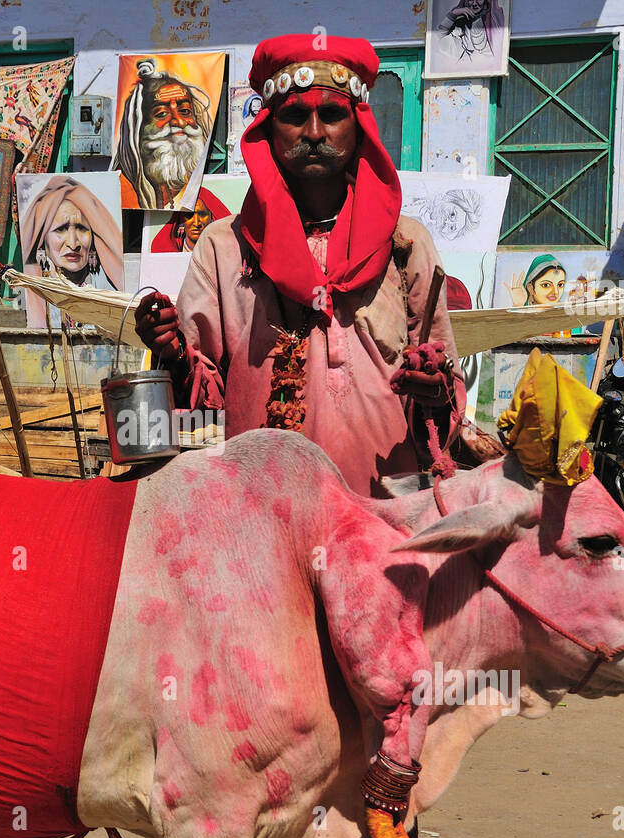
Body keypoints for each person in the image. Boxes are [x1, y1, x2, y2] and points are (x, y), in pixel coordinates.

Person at [134, 33, 475, 497]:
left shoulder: (406, 242)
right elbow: (200, 396)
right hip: (263, 507)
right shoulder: (223, 246)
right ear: (269, 128)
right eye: (295, 116)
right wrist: (171, 351)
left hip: (384, 509)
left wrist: (435, 388)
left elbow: (445, 382)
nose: (314, 133)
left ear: (357, 124)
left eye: (331, 115)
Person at [18, 175, 124, 329]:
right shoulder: (34, 296)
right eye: (60, 229)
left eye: (81, 228)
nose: (73, 244)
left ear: (94, 237)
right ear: (42, 240)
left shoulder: (108, 290)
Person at [114, 59, 213, 210]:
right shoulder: (124, 190)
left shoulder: (200, 185)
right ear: (140, 127)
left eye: (185, 111)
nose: (179, 122)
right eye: (162, 114)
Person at [150, 189, 230, 253]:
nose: (196, 223)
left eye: (202, 214)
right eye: (189, 215)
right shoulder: (165, 253)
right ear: (181, 219)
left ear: (211, 218)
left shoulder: (222, 255)